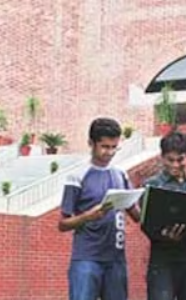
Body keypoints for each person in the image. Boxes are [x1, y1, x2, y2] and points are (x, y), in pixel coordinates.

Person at [59, 117, 140, 300]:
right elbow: (63, 224)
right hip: (87, 258)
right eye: (104, 147)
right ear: (91, 143)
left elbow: (137, 215)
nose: (109, 152)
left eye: (114, 147)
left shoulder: (120, 174)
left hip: (116, 259)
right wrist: (87, 216)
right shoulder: (77, 176)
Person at [140, 132, 186, 300]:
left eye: (180, 160)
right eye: (170, 160)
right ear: (162, 157)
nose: (175, 165)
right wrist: (164, 235)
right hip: (162, 261)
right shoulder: (152, 186)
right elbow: (146, 226)